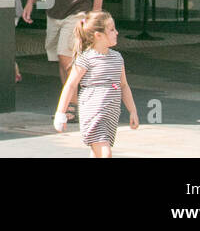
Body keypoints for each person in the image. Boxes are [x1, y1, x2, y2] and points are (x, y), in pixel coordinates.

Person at [53, 10, 138, 158]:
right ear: (98, 35)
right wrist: (60, 113)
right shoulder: (86, 59)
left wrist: (133, 111)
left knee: (97, 151)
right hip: (93, 113)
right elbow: (70, 85)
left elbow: (124, 85)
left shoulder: (117, 58)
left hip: (110, 115)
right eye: (111, 30)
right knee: (106, 152)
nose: (116, 32)